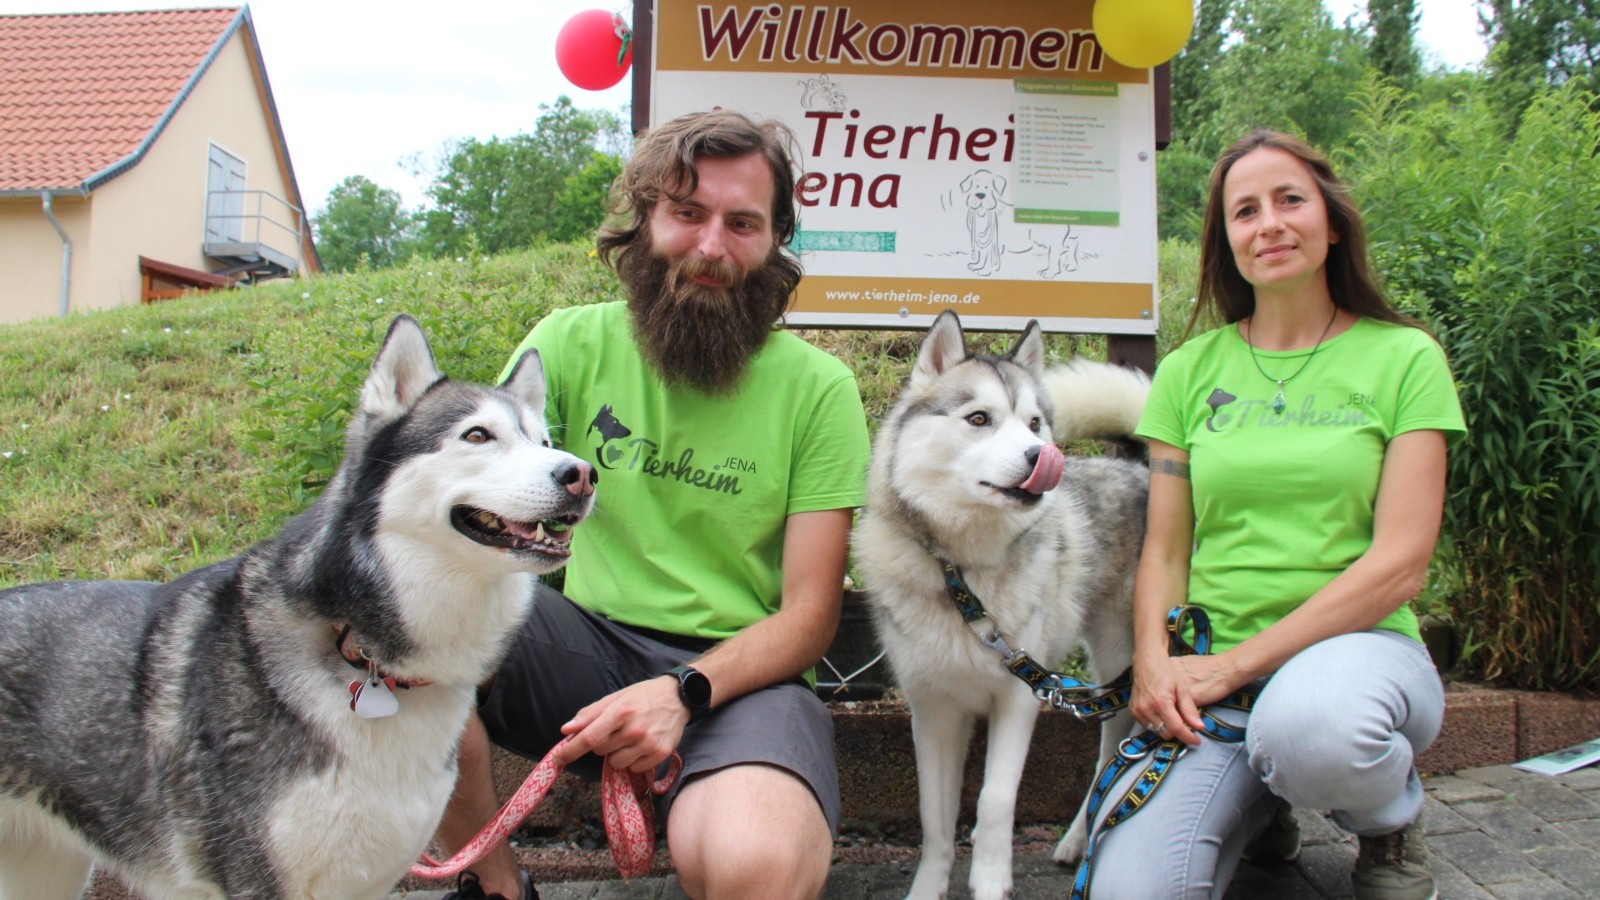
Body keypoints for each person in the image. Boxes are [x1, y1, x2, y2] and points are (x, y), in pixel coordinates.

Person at [429, 110, 870, 900]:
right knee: (411, 611)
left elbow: (810, 618)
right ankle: (494, 888)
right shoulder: (566, 344)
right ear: (643, 221)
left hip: (743, 680)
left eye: (742, 223)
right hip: (580, 653)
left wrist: (682, 692)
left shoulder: (820, 390)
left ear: (775, 242)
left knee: (755, 870)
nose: (711, 248)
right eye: (687, 214)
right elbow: (475, 506)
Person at [1078, 131, 1465, 900]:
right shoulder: (1189, 372)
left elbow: (1401, 563)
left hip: (1361, 659)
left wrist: (1237, 667)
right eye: (1244, 210)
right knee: (1130, 890)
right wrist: (1152, 664)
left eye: (1290, 200)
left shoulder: (1404, 359)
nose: (1270, 223)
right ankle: (1265, 806)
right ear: (1226, 242)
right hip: (1215, 675)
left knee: (1310, 732)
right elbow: (1165, 550)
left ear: (1332, 222)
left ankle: (1388, 819)